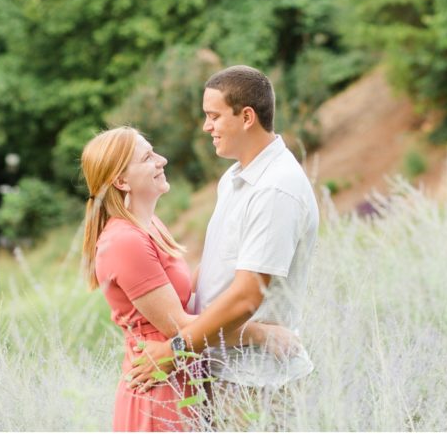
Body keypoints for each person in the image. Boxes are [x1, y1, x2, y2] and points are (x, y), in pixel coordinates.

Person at [126, 65, 319, 421]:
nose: (206, 127)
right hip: (218, 372)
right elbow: (217, 268)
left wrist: (174, 350)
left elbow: (248, 296)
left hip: (256, 385)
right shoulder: (234, 178)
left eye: (213, 116)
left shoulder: (275, 189)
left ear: (247, 117)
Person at [80, 126, 299, 432]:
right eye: (147, 157)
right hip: (159, 396)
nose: (162, 160)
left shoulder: (150, 225)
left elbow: (192, 289)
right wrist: (262, 335)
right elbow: (183, 328)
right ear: (121, 181)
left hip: (186, 382)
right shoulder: (124, 242)